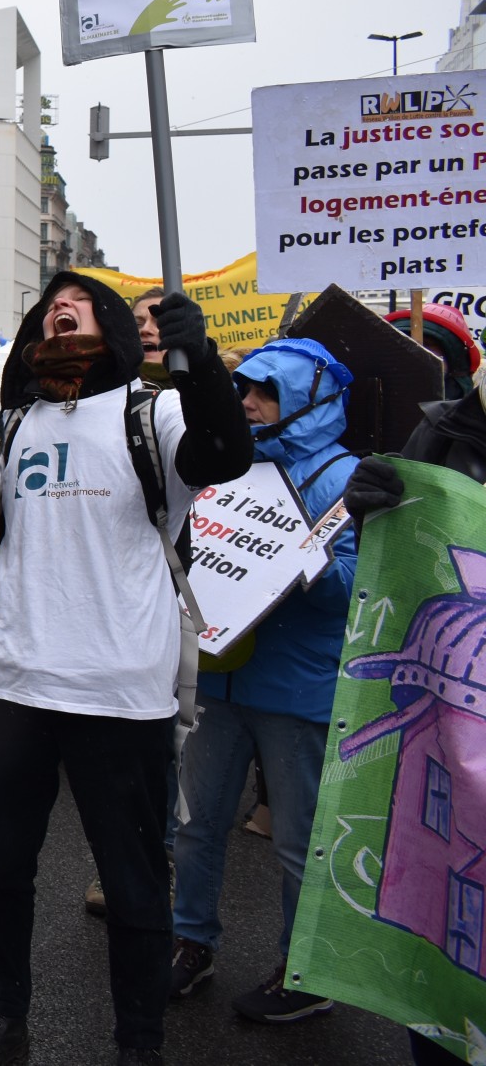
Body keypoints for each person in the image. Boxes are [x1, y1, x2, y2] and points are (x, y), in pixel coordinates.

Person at [0, 272, 252, 1066]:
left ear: (113, 327)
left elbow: (228, 452)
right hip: (17, 680)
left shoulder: (154, 416)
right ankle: (4, 1018)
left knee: (132, 886)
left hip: (121, 690)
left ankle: (138, 1044)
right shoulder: (11, 426)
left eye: (76, 306)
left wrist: (200, 358)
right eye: (49, 311)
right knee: (2, 872)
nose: (59, 313)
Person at [168, 338, 356, 1024]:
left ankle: (308, 968)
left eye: (266, 390)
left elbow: (350, 594)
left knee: (298, 842)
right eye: (243, 387)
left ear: (309, 397)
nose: (247, 401)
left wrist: (300, 559)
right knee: (198, 825)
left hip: (297, 689)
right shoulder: (230, 462)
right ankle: (190, 940)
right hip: (220, 680)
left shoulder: (345, 476)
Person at [344, 360, 486, 1066]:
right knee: (444, 990)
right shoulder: (444, 431)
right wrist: (376, 513)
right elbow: (405, 559)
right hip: (463, 732)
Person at [384, 303, 480, 400]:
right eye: (404, 344)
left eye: (426, 345)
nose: (412, 352)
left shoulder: (470, 412)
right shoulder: (376, 402)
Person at [132, 289, 170, 388]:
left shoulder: (209, 386)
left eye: (160, 322)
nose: (145, 329)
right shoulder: (110, 390)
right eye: (138, 324)